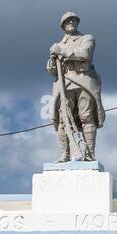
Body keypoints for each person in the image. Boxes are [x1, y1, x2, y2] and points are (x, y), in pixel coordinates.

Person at [47, 11, 105, 161]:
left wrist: (62, 51)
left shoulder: (87, 38)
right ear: (63, 25)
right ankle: (64, 155)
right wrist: (52, 60)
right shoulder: (58, 45)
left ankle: (89, 155)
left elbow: (84, 54)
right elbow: (53, 72)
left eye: (74, 20)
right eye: (68, 21)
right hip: (65, 83)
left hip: (84, 81)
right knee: (63, 119)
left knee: (86, 117)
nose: (71, 22)